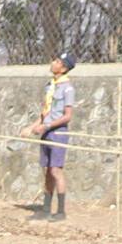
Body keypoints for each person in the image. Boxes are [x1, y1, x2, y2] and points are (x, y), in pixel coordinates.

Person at [24, 52, 75, 220]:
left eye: (57, 62)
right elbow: (44, 113)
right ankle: (46, 209)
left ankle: (60, 211)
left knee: (56, 170)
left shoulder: (68, 88)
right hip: (46, 132)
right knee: (47, 171)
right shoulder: (50, 86)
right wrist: (31, 128)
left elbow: (67, 116)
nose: (53, 63)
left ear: (64, 68)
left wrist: (46, 126)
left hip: (57, 133)